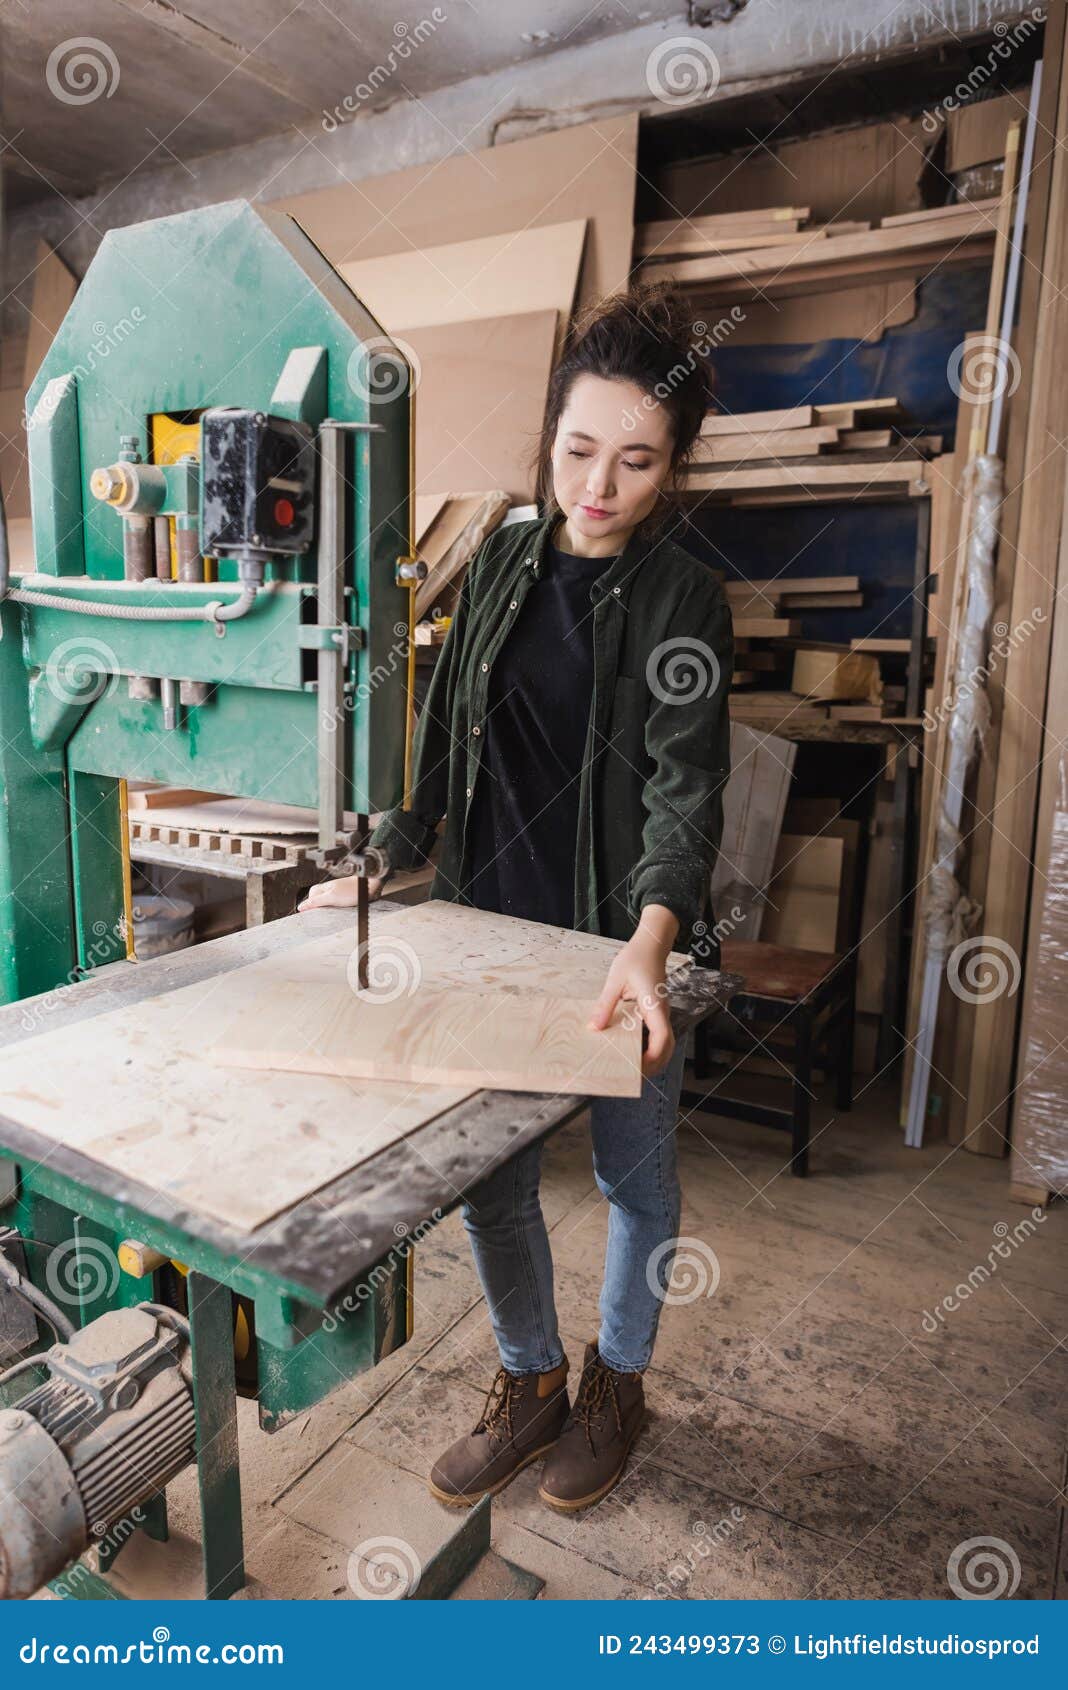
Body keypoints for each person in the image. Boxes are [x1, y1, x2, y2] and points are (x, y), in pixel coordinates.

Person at [299, 282, 733, 1513]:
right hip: (495, 929)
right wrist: (387, 853)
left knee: (632, 1183)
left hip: (618, 947)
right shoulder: (495, 558)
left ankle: (618, 1386)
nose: (599, 485)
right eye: (580, 449)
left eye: (637, 461)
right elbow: (442, 737)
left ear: (673, 466)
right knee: (492, 1184)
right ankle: (533, 1380)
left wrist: (650, 944)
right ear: (551, 434)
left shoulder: (685, 600)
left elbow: (683, 785)